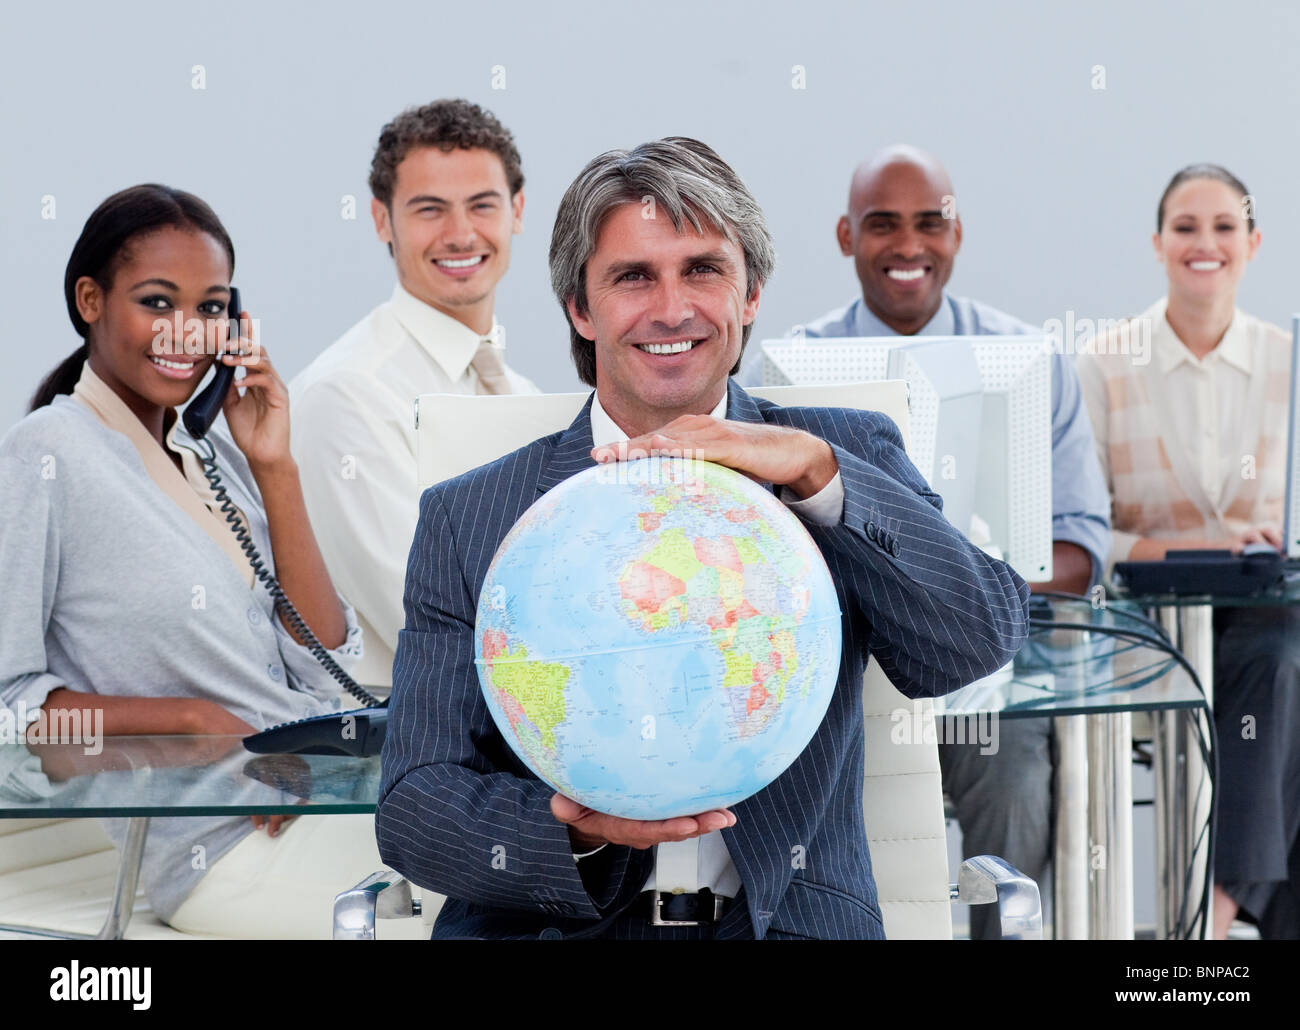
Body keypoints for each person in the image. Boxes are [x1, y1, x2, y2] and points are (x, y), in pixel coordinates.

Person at [376, 137, 1032, 940]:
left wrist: (819, 478)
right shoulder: (472, 515)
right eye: (632, 277)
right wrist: (581, 829)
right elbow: (414, 806)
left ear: (750, 293)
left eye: (703, 270)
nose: (672, 308)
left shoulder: (839, 454)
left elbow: (976, 640)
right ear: (580, 309)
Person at [0, 184, 408, 938]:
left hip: (317, 810)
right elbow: (10, 703)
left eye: (212, 307)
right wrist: (197, 724)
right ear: (90, 299)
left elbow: (323, 670)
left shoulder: (216, 454)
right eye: (158, 302)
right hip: (218, 852)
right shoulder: (47, 456)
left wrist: (275, 467)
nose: (188, 331)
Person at [764, 144, 1111, 938]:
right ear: (847, 236)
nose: (908, 245)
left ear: (958, 233)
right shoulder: (794, 369)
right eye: (883, 225)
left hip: (991, 672)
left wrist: (954, 589)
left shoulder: (1032, 359)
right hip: (845, 664)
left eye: (930, 223)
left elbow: (1084, 548)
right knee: (813, 781)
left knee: (1014, 772)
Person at [1079, 164, 1300, 939]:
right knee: (1282, 671)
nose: (1204, 243)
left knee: (1281, 656)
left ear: (1253, 243)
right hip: (1144, 626)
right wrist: (1201, 544)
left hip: (1265, 610)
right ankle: (1224, 915)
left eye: (1224, 227)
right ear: (1158, 243)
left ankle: (1220, 912)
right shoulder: (1104, 364)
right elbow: (1082, 533)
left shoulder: (1287, 361)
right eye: (1185, 227)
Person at [289, 99, 540, 689]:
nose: (460, 234)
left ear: (517, 211)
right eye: (430, 210)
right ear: (382, 221)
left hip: (513, 742)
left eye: (482, 205)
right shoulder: (349, 395)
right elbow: (430, 624)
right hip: (390, 762)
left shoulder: (518, 392)